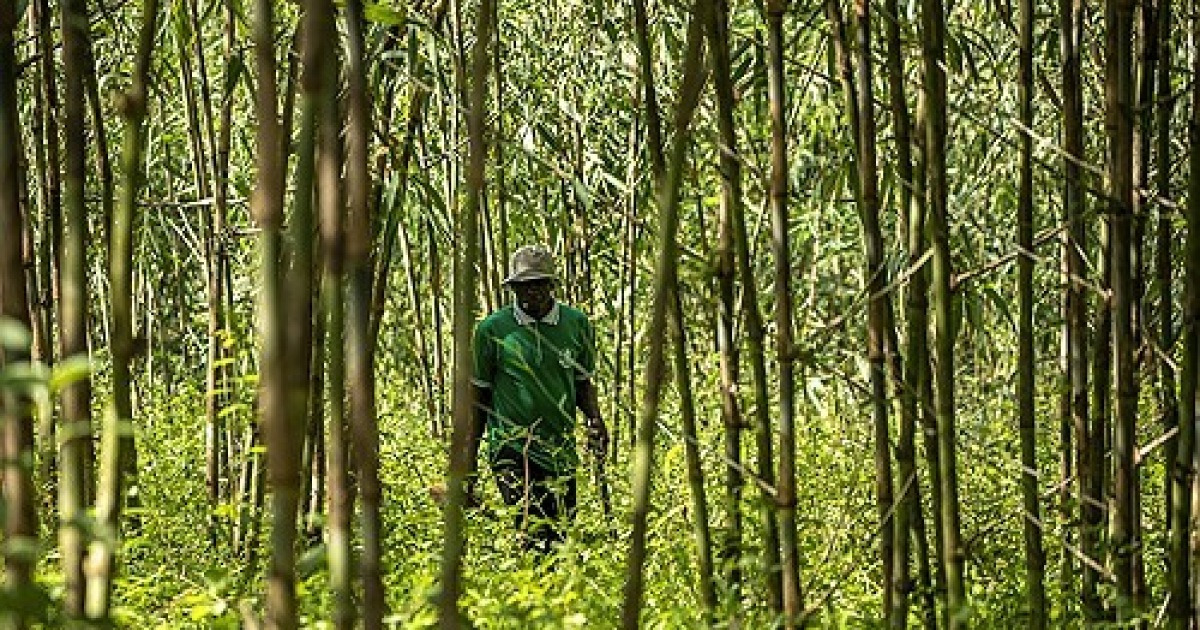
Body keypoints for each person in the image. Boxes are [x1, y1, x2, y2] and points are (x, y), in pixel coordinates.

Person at [466, 245, 609, 551]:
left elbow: (582, 382)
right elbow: (478, 398)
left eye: (540, 283)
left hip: (559, 449)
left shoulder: (575, 324)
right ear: (514, 288)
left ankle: (553, 596)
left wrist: (596, 420)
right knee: (531, 534)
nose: (533, 292)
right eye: (524, 285)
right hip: (511, 446)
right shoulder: (492, 330)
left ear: (552, 285)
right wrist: (469, 466)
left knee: (559, 539)